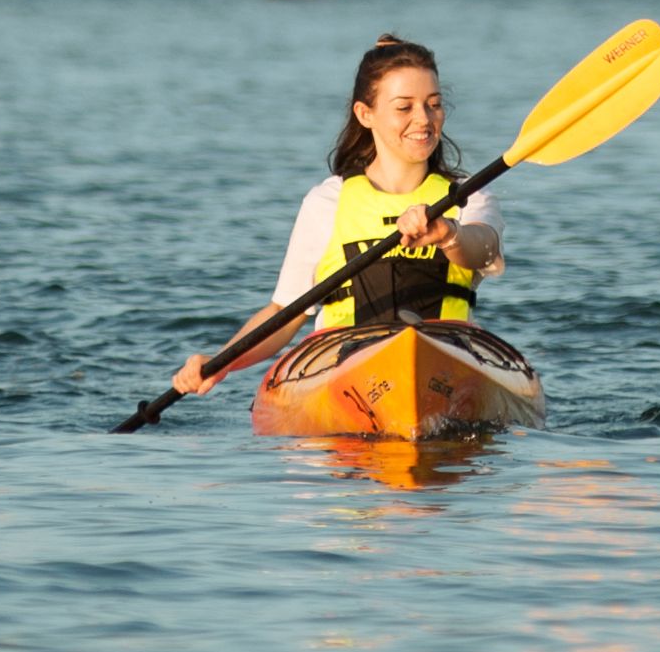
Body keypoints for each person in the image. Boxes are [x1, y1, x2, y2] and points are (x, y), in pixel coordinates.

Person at [169, 35, 503, 395]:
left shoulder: (467, 195)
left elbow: (483, 248)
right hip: (344, 379)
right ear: (366, 114)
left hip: (445, 372)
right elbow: (285, 313)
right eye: (404, 107)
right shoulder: (326, 202)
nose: (423, 119)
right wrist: (221, 363)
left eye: (434, 105)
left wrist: (446, 234)